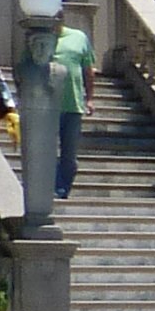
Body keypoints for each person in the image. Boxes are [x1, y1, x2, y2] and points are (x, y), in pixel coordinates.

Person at [49, 14, 93, 200]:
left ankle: (62, 189)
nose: (55, 19)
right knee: (46, 150)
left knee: (69, 154)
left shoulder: (79, 37)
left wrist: (89, 98)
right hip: (47, 106)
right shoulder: (38, 38)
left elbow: (88, 70)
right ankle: (48, 188)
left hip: (73, 105)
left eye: (58, 16)